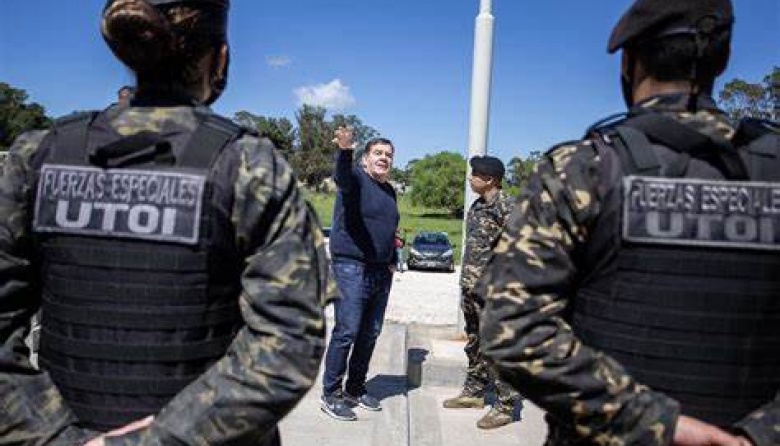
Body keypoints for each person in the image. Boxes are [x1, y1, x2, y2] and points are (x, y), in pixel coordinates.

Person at [0, 0, 328, 445]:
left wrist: (55, 438)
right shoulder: (248, 165)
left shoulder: (36, 156)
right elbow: (289, 343)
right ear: (221, 58)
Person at [479, 0, 779, 445]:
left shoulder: (585, 170)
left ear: (628, 63)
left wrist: (660, 425)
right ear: (722, 60)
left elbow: (510, 330)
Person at [320, 126, 399, 421]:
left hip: (380, 271)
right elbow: (341, 175)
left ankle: (355, 387)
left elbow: (390, 229)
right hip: (351, 266)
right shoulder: (354, 179)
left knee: (370, 333)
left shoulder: (389, 191)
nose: (383, 158)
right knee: (348, 331)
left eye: (388, 155)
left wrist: (392, 257)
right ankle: (331, 393)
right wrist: (345, 150)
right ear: (365, 159)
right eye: (378, 153)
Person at [442, 155, 521, 429]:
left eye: (474, 174)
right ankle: (474, 393)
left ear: (490, 180)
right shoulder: (476, 207)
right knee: (475, 343)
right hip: (471, 288)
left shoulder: (509, 207)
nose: (469, 177)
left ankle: (506, 405)